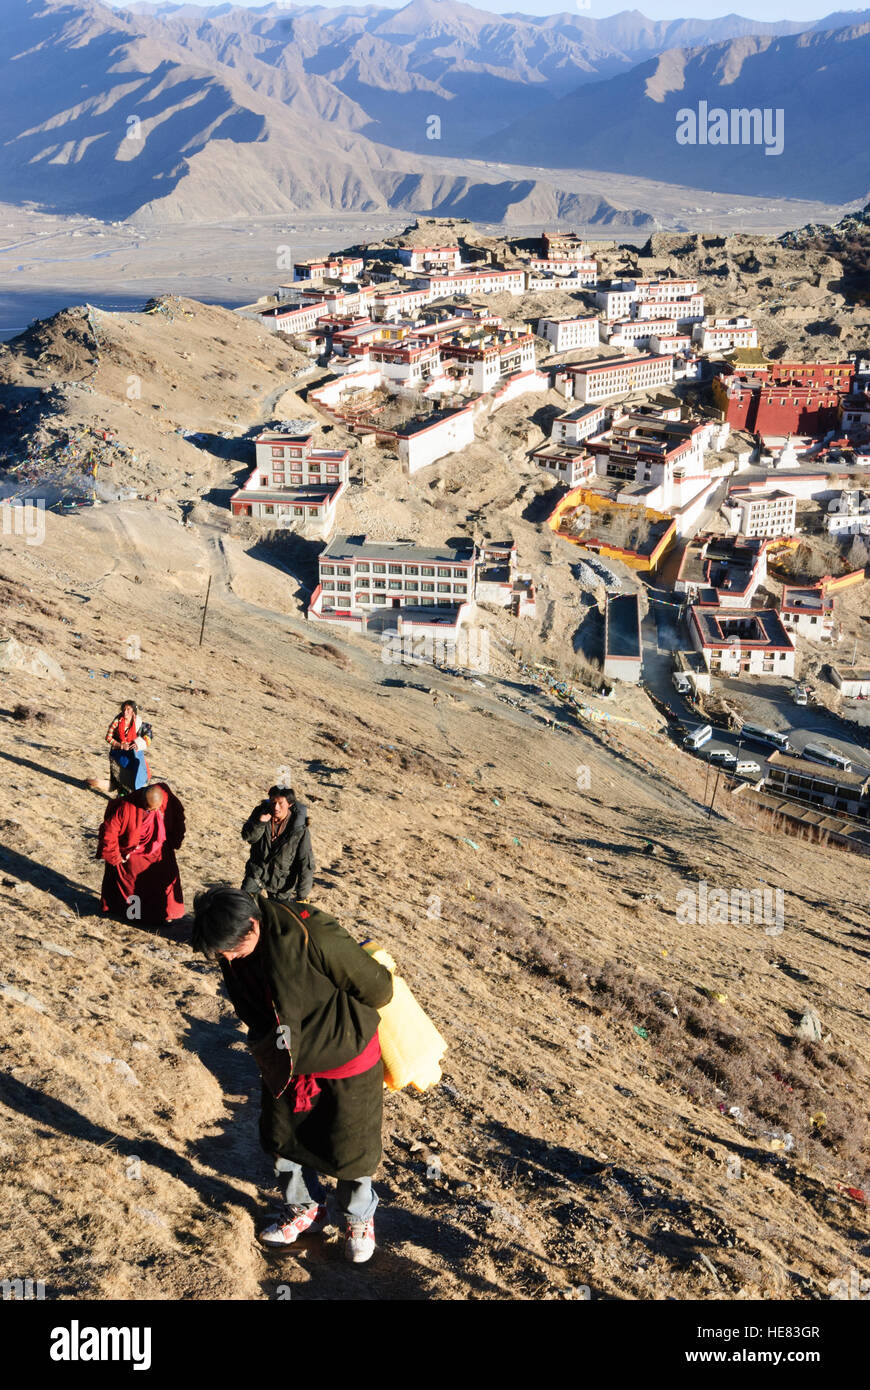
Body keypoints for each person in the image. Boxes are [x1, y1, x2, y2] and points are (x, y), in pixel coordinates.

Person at [191, 886, 393, 1263]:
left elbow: (379, 989)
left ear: (253, 923)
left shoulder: (311, 931)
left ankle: (357, 1219)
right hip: (286, 1058)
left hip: (346, 1054)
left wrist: (330, 1024)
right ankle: (305, 1209)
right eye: (221, 954)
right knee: (284, 1138)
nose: (227, 959)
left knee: (352, 1147)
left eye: (232, 949)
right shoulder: (231, 945)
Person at [98, 782, 185, 926]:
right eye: (150, 809)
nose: (155, 811)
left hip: (159, 848)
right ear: (143, 802)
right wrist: (115, 856)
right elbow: (109, 833)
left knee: (165, 877)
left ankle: (162, 915)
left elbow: (178, 815)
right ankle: (134, 915)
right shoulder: (125, 807)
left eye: (157, 808)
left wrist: (176, 838)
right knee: (131, 884)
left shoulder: (165, 795)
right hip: (133, 852)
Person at [241, 786, 314, 904]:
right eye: (273, 802)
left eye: (281, 803)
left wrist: (302, 895)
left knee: (278, 917)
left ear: (290, 804)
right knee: (242, 906)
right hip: (256, 872)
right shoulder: (260, 814)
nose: (276, 807)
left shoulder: (299, 829)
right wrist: (260, 823)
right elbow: (249, 837)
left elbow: (306, 862)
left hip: (282, 881)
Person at [104, 700, 152, 794]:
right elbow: (108, 737)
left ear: (133, 711)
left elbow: (148, 735)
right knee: (120, 776)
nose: (125, 711)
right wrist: (120, 745)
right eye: (124, 709)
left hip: (134, 753)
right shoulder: (117, 722)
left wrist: (138, 743)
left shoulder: (138, 723)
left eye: (128, 709)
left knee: (137, 773)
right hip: (118, 754)